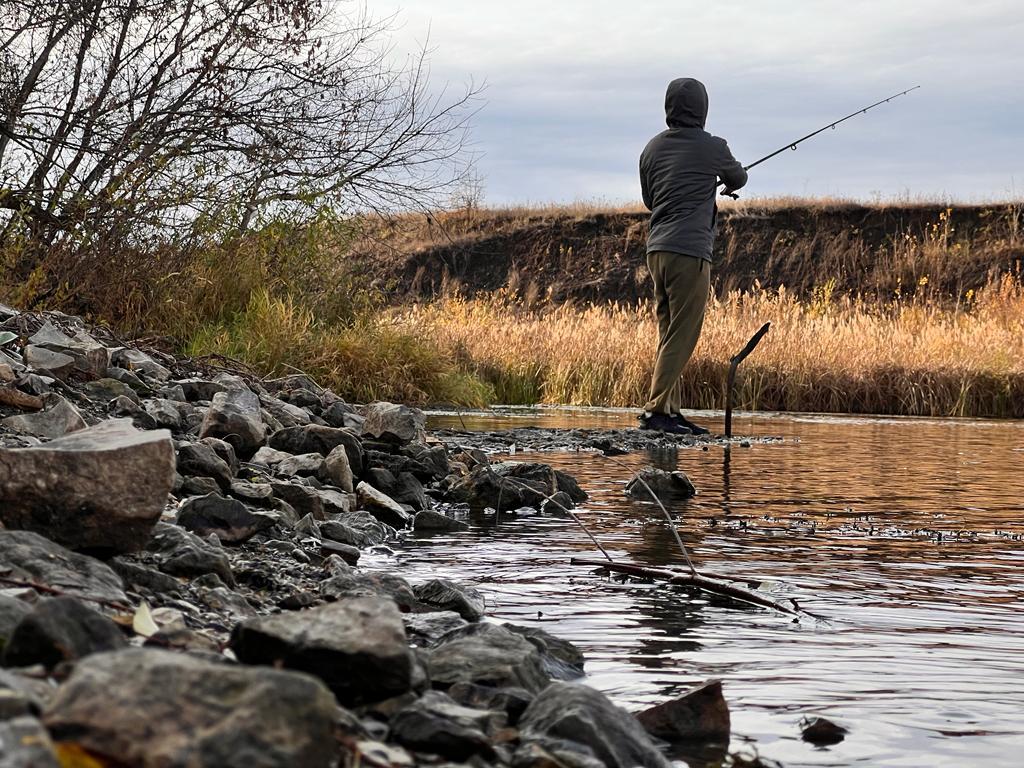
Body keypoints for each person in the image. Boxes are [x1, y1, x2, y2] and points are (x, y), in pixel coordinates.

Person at [638, 77, 747, 435]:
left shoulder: (651, 149)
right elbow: (739, 176)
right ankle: (656, 413)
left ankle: (670, 411)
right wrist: (720, 182)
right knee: (684, 333)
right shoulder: (712, 146)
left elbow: (650, 201)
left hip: (657, 251)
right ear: (702, 108)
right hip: (690, 252)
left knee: (669, 331)